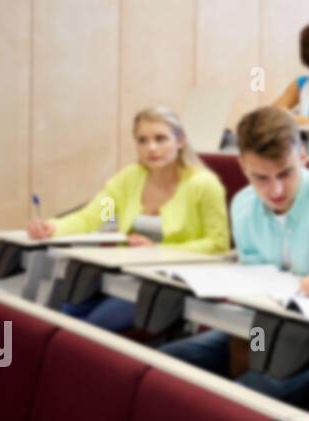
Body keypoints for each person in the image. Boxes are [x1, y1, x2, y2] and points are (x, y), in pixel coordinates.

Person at [159, 106, 309, 405]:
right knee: (164, 367)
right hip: (262, 329)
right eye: (261, 178)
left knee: (245, 400)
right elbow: (255, 282)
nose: (275, 190)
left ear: (303, 156)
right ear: (241, 165)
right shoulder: (242, 205)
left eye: (285, 173)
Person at [27, 106, 229, 331]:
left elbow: (217, 244)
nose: (151, 147)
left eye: (161, 139)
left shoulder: (204, 185)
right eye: (143, 140)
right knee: (62, 316)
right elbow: (92, 216)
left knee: (87, 330)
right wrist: (52, 227)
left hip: (167, 284)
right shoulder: (129, 178)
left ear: (180, 141)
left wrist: (158, 249)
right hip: (125, 276)